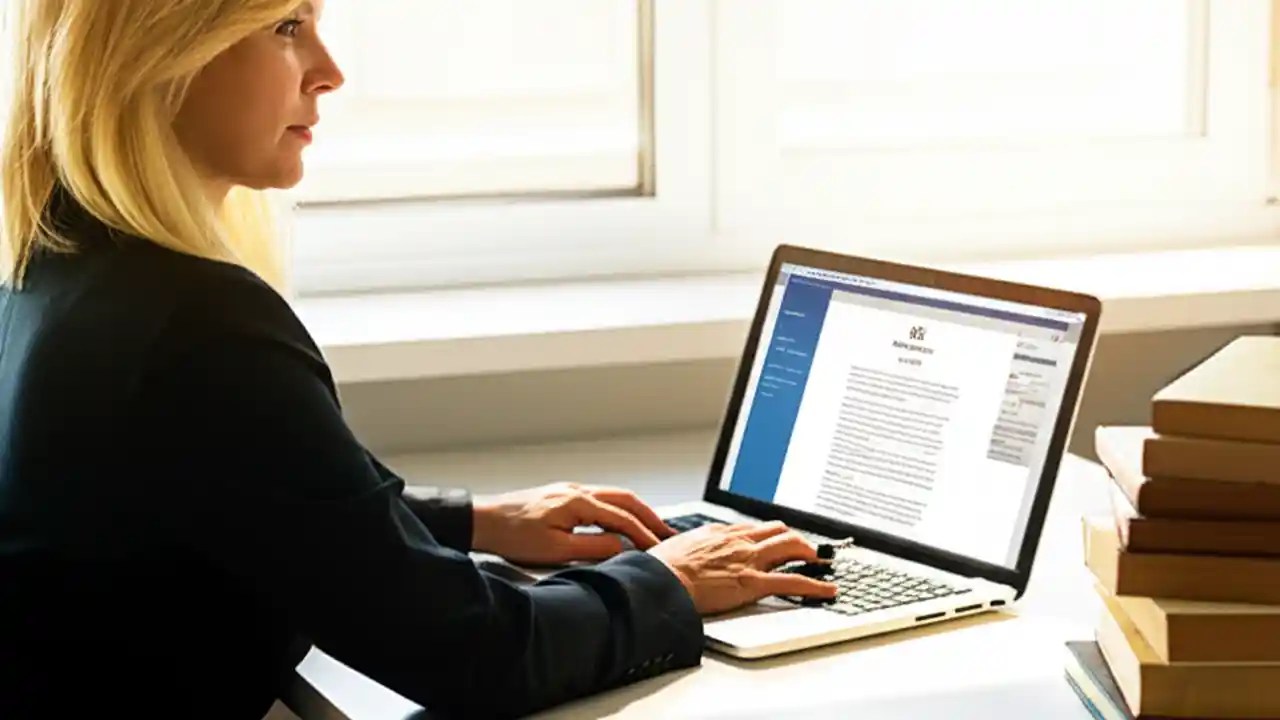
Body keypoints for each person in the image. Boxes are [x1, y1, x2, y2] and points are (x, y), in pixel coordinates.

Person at [0, 2, 837, 718]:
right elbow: (473, 654)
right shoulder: (198, 326)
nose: (328, 71)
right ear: (154, 50)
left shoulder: (55, 269)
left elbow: (241, 505)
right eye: (287, 25)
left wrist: (470, 522)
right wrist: (669, 583)